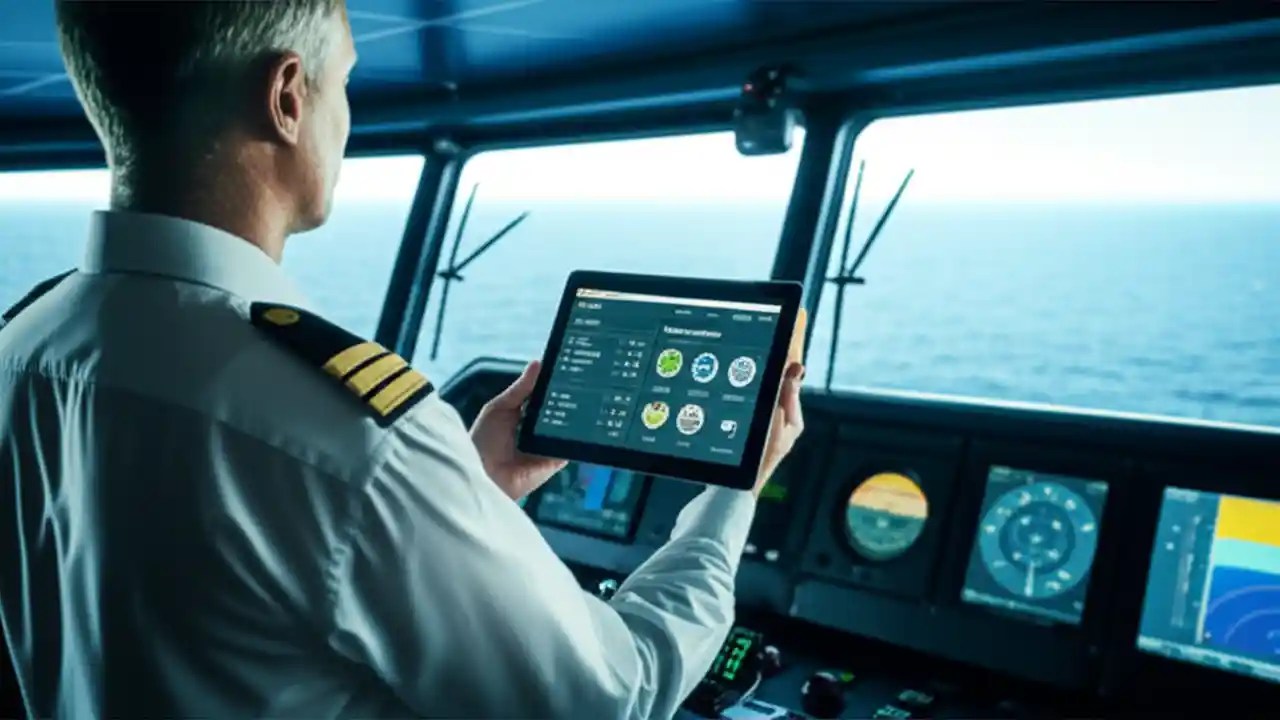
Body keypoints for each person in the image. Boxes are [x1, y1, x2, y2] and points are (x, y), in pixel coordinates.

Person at [0, 1, 806, 718]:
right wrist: (730, 497)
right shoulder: (355, 437)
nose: (347, 115)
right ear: (288, 98)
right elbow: (612, 696)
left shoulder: (21, 347)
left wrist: (467, 483)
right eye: (346, 82)